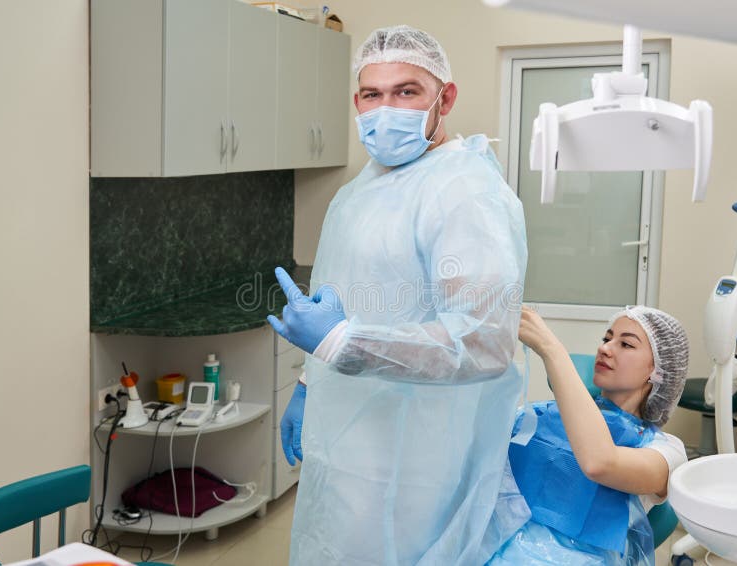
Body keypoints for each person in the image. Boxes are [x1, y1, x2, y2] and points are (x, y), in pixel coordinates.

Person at [267, 25, 528, 566]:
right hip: (346, 429)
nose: (385, 109)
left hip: (420, 452)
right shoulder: (357, 192)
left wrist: (344, 343)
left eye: (406, 91)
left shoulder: (465, 191)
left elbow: (482, 342)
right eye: (372, 94)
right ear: (356, 102)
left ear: (444, 99)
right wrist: (308, 381)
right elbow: (343, 297)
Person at [487, 305, 690, 565]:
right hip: (494, 551)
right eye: (607, 339)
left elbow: (601, 463)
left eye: (626, 344)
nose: (605, 348)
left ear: (658, 372)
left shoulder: (666, 450)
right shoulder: (539, 415)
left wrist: (552, 350)